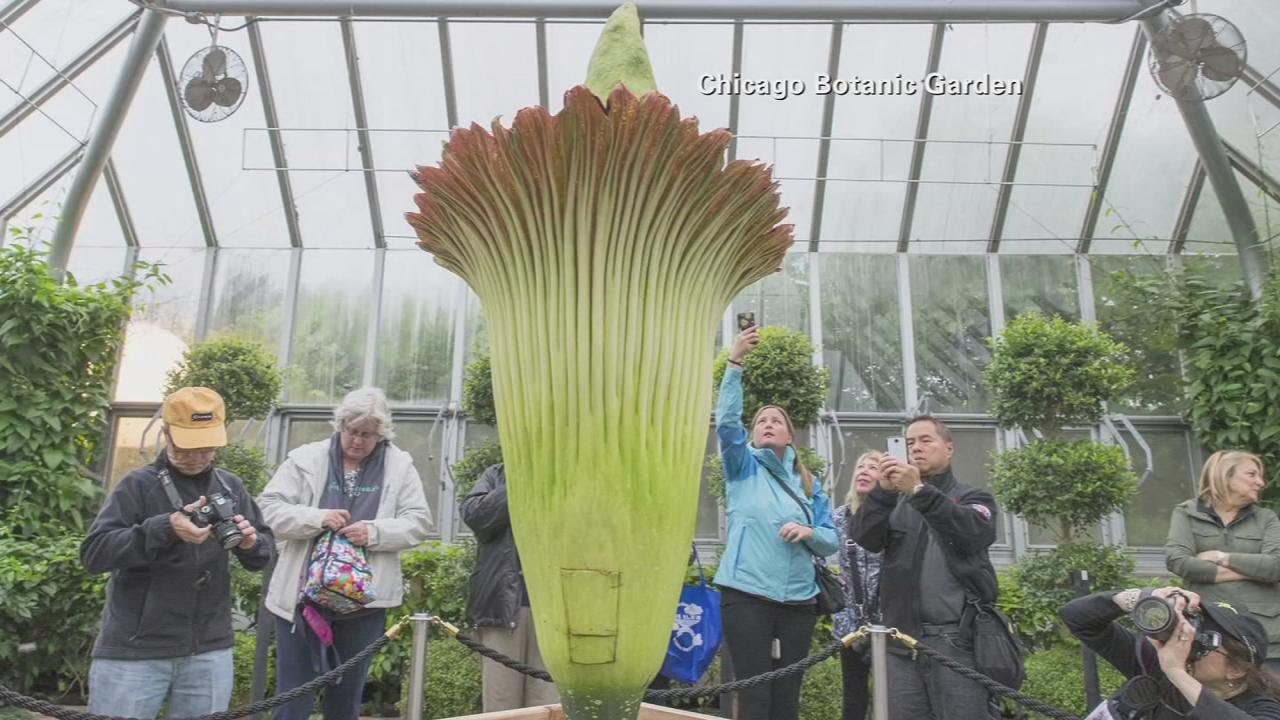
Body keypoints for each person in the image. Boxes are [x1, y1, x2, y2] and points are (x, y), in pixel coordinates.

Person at [81, 387, 273, 719]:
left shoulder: (230, 486)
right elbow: (95, 553)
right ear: (167, 434)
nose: (197, 456)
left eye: (207, 447)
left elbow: (264, 554)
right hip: (135, 650)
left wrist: (250, 543)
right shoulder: (138, 485)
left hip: (209, 650)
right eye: (187, 446)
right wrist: (164, 529)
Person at [260, 386, 431, 720]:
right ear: (340, 425)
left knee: (346, 700)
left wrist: (375, 532)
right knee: (293, 698)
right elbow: (267, 510)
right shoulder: (306, 458)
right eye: (352, 431)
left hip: (362, 607)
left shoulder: (399, 465)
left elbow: (419, 522)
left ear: (381, 434)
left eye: (367, 434)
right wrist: (317, 518)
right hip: (300, 601)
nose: (357, 441)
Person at [712, 325, 839, 720]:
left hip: (799, 600)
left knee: (787, 696)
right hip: (746, 594)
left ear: (789, 435)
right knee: (754, 694)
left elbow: (831, 539)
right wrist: (735, 363)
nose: (767, 423)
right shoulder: (742, 466)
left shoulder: (809, 483)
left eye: (776, 421)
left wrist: (809, 532)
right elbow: (727, 423)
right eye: (761, 421)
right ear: (752, 435)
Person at [852, 415, 1000, 720]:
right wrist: (882, 493)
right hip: (900, 641)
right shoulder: (895, 501)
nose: (916, 448)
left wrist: (919, 492)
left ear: (949, 448)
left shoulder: (972, 497)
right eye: (909, 443)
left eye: (925, 440)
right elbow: (865, 538)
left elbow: (974, 532)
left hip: (956, 641)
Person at [1061, 586, 1280, 718]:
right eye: (1193, 626)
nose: (1187, 641)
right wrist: (1144, 596)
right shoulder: (1156, 663)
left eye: (1204, 640)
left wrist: (1177, 673)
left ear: (1236, 669)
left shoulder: (1260, 706)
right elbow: (1077, 618)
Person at [1167, 451, 1280, 674]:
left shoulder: (1265, 518)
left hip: (1268, 636)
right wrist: (1253, 571)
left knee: (1272, 696)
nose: (1261, 482)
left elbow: (1275, 566)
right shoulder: (1187, 513)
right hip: (1210, 635)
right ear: (1225, 477)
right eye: (1252, 474)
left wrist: (1222, 557)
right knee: (1211, 696)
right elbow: (1177, 561)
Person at [460, 462, 559, 711]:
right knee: (501, 701)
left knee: (547, 702)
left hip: (555, 609)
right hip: (502, 608)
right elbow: (475, 516)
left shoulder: (568, 469)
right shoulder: (497, 474)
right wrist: (520, 478)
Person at [833, 451, 885, 720]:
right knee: (853, 698)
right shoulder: (839, 518)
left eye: (872, 467)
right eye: (860, 466)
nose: (863, 471)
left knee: (891, 696)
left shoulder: (896, 516)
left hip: (890, 624)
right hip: (851, 626)